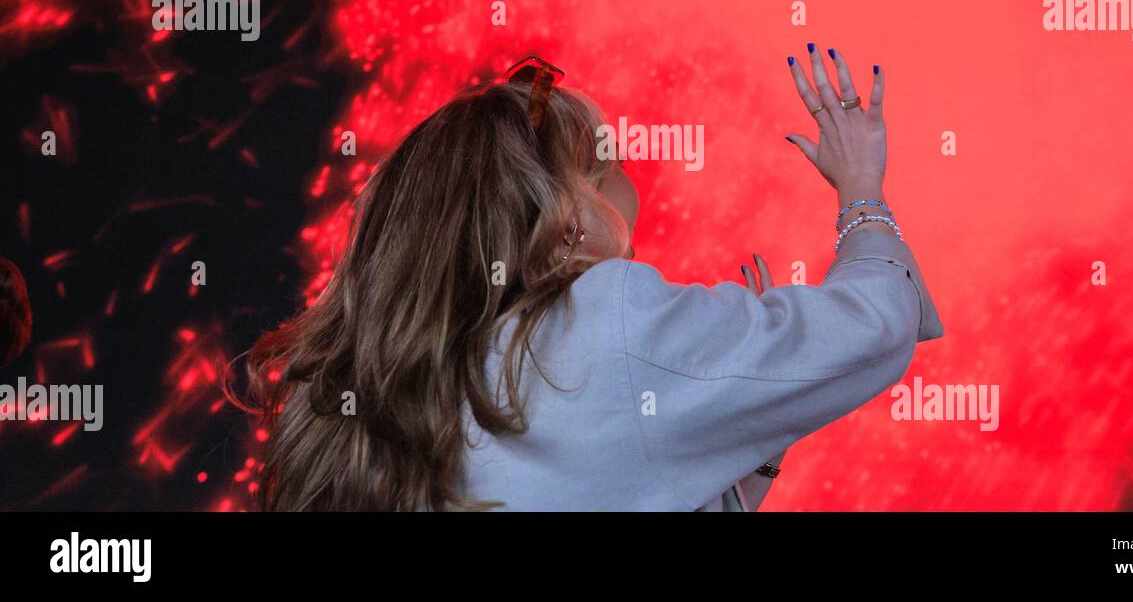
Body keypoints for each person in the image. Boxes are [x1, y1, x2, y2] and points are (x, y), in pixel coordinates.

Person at [245, 44, 943, 510]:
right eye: (594, 173)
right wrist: (861, 192)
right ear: (558, 213)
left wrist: (758, 417)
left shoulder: (391, 389)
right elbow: (876, 325)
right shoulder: (602, 321)